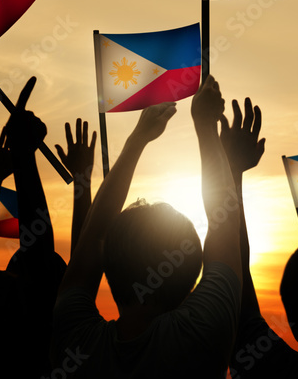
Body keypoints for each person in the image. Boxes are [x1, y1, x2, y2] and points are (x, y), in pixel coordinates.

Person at [52, 75, 242, 378]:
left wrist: (137, 139)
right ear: (191, 274)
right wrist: (206, 126)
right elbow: (225, 221)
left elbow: (93, 238)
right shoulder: (205, 333)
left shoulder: (76, 341)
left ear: (109, 266)